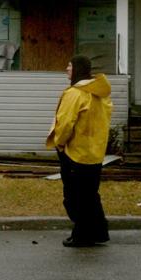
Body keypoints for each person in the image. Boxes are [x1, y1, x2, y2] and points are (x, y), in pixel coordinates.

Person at [46, 54, 113, 247]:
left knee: (75, 197)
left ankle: (82, 235)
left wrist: (59, 143)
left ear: (77, 69)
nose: (66, 69)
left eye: (69, 66)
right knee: (90, 194)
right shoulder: (101, 93)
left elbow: (66, 123)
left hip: (75, 152)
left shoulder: (74, 93)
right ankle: (98, 232)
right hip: (95, 152)